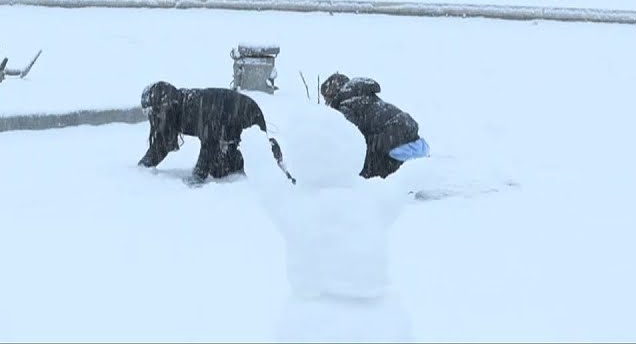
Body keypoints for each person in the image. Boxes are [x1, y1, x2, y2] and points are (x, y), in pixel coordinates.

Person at [242, 105, 414, 343]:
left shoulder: (297, 204)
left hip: (315, 318)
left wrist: (258, 155)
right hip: (367, 315)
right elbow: (396, 190)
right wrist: (416, 174)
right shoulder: (367, 197)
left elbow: (268, 184)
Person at [137, 80, 281, 182]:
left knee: (222, 168)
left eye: (154, 114)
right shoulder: (176, 111)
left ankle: (270, 149)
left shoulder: (194, 108)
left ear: (164, 106)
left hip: (246, 114)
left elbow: (210, 142)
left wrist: (197, 177)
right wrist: (143, 166)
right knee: (219, 169)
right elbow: (162, 143)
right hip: (227, 121)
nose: (154, 119)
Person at [319, 74, 428, 180]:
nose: (327, 103)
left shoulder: (346, 106)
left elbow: (353, 139)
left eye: (326, 98)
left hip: (392, 137)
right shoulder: (364, 95)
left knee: (363, 172)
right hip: (408, 128)